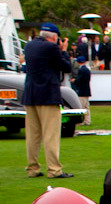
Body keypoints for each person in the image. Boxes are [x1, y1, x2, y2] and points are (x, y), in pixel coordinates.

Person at [23, 22, 72, 179]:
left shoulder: (29, 46)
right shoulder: (51, 48)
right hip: (48, 95)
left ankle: (32, 168)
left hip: (31, 95)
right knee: (50, 134)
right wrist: (63, 51)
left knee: (33, 135)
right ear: (55, 37)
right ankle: (54, 169)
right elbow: (66, 67)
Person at [73, 56, 91, 126]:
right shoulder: (87, 69)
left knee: (81, 107)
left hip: (82, 91)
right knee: (86, 107)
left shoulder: (81, 70)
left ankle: (80, 121)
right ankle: (87, 120)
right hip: (87, 90)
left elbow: (79, 80)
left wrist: (74, 81)